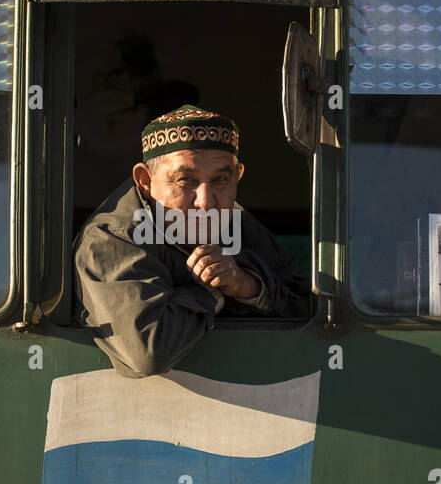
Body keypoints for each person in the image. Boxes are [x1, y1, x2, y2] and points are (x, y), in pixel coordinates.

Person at [73, 105, 311, 377]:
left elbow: (308, 308)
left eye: (220, 180)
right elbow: (150, 351)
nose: (205, 202)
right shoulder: (110, 239)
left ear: (237, 177)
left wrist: (247, 285)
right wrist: (212, 290)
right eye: (185, 180)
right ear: (145, 181)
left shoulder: (235, 220)